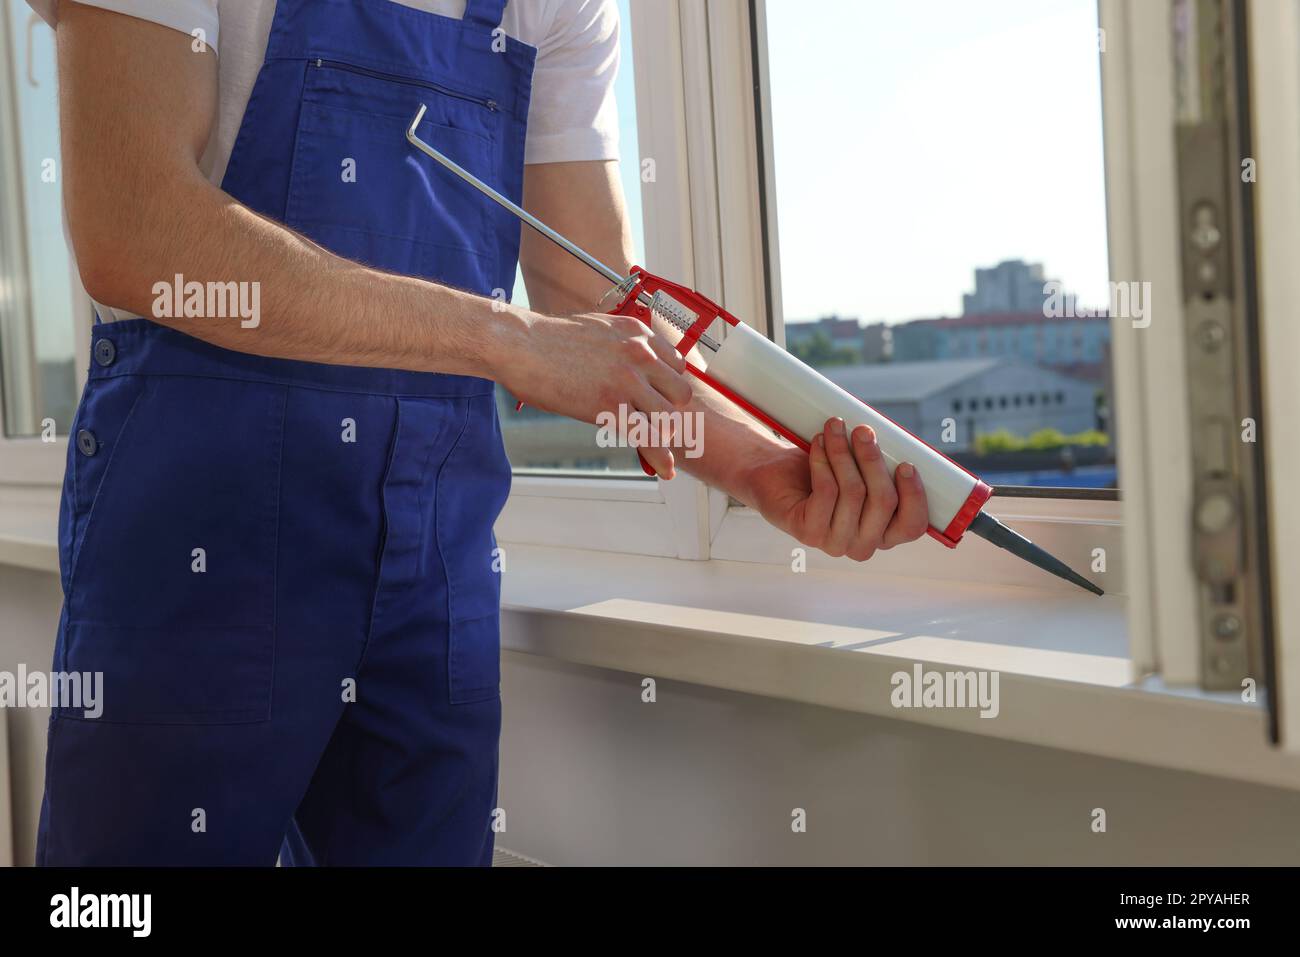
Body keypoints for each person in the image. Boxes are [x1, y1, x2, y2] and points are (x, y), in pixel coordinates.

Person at [32, 0, 929, 865]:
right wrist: (505, 340)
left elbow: (586, 303)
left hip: (433, 553)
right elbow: (136, 226)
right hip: (201, 526)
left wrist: (764, 469)